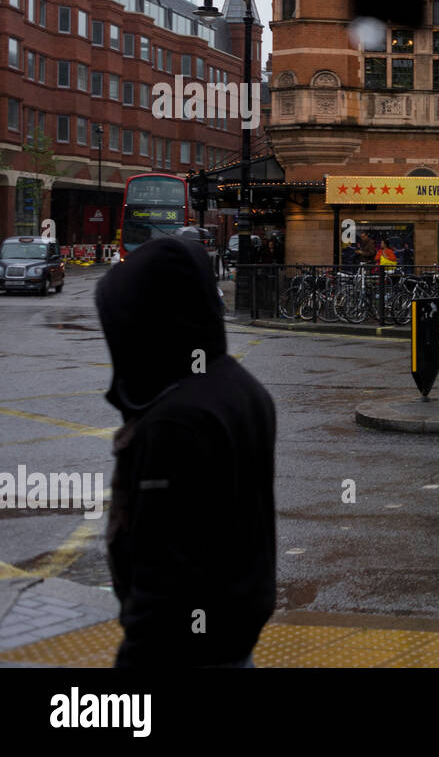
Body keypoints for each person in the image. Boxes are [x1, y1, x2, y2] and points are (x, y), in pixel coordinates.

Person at [94, 237, 276, 667]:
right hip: (233, 638)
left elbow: (166, 573)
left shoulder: (176, 421)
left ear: (149, 321)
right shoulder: (242, 388)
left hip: (180, 653)